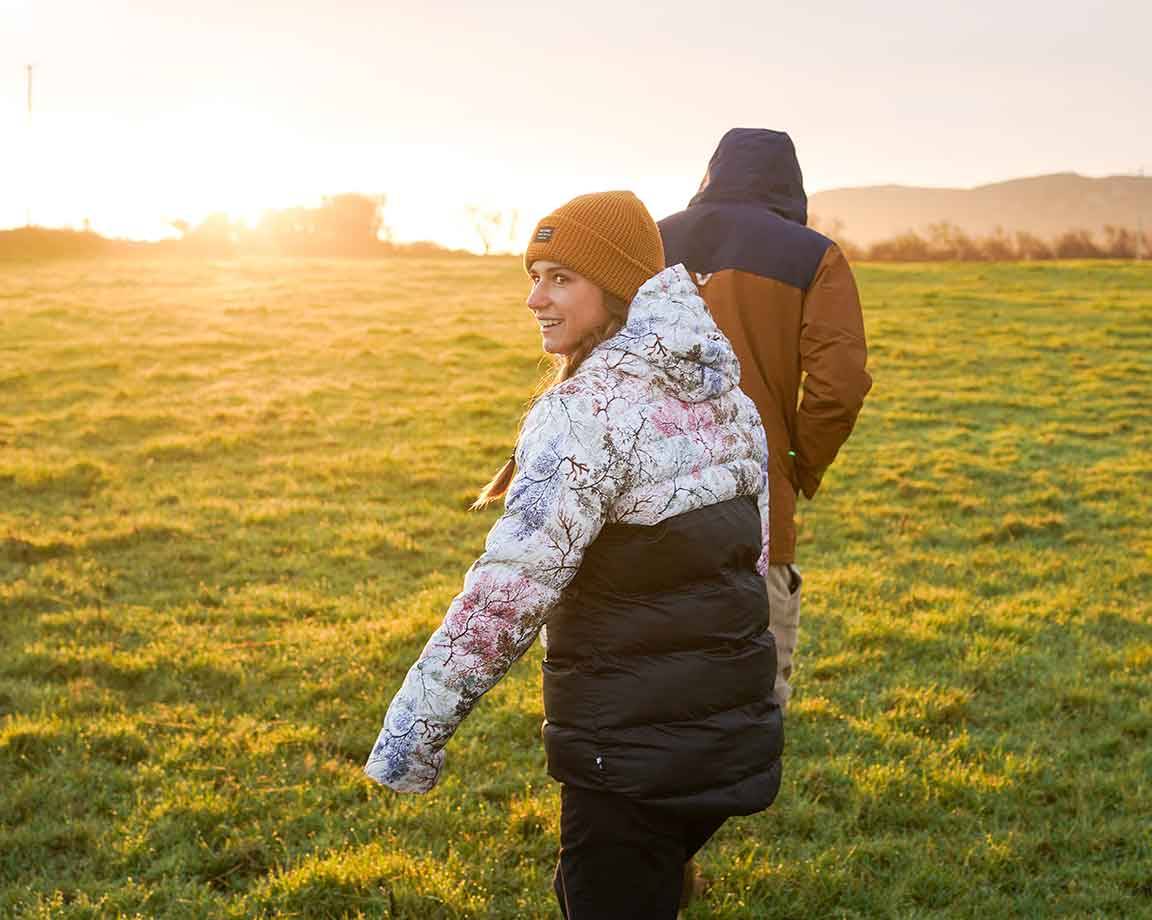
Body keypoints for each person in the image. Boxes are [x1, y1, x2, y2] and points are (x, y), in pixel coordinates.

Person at [364, 191, 783, 918]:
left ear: (617, 287)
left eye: (560, 277)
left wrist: (410, 738)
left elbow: (505, 598)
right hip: (724, 737)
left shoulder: (582, 413)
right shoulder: (728, 395)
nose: (534, 298)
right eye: (534, 274)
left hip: (626, 758)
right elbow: (753, 559)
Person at [659, 128, 872, 712]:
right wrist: (800, 463)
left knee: (647, 698)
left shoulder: (648, 243)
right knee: (746, 708)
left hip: (638, 506)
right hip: (755, 510)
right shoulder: (812, 254)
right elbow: (839, 387)